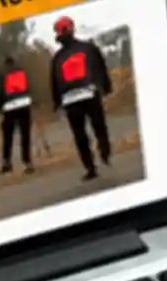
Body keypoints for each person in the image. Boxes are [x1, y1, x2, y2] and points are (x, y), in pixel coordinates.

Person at [50, 16, 113, 181]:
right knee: (98, 126)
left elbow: (54, 81)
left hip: (72, 100)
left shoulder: (58, 58)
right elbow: (101, 67)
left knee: (81, 136)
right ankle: (104, 152)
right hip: (88, 94)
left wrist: (56, 102)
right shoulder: (88, 48)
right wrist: (106, 86)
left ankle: (91, 166)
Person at [0, 56, 35, 175]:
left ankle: (7, 162)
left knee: (8, 136)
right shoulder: (21, 71)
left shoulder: (0, 73)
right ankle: (27, 162)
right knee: (25, 135)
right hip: (24, 103)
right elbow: (28, 87)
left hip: (9, 107)